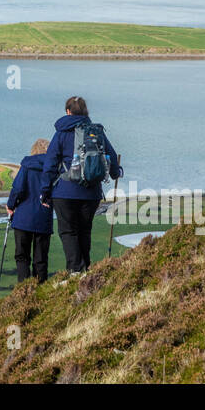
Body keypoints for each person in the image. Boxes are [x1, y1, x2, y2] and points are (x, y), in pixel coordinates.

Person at [40, 96, 121, 275]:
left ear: (68, 112)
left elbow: (50, 163)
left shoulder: (61, 133)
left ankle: (75, 270)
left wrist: (45, 191)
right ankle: (86, 270)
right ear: (86, 112)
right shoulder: (96, 131)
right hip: (91, 192)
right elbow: (112, 157)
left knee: (68, 231)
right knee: (85, 230)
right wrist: (116, 173)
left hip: (65, 192)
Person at [6, 138, 53, 283]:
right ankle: (40, 290)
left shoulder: (26, 166)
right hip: (43, 217)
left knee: (22, 256)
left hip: (23, 218)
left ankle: (24, 290)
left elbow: (18, 189)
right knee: (41, 259)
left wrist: (10, 206)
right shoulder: (54, 168)